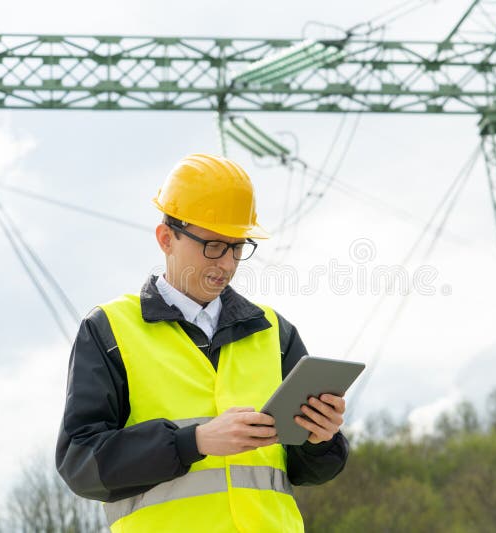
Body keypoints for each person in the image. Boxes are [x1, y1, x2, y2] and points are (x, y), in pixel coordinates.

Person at [56, 153, 349, 532]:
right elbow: (81, 465)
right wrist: (193, 442)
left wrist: (320, 439)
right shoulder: (109, 331)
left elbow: (309, 470)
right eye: (212, 245)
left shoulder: (275, 333)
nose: (226, 263)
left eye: (237, 247)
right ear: (166, 238)